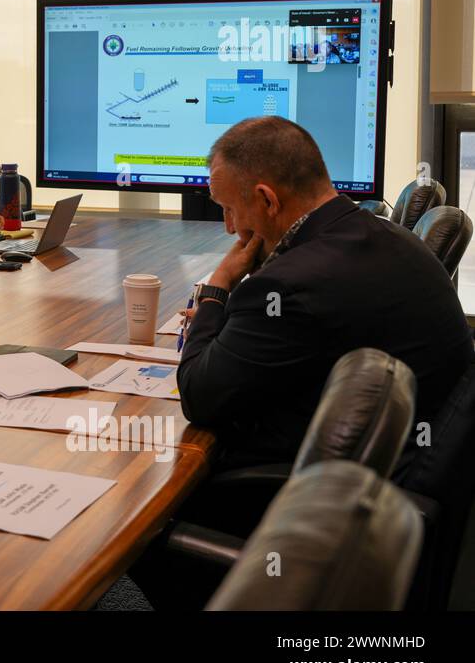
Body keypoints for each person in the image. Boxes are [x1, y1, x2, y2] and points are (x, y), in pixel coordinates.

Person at [179, 116, 473, 473]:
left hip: (322, 495)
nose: (229, 228)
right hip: (407, 471)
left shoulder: (287, 285)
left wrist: (218, 286)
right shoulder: (380, 236)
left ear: (267, 200)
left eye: (229, 209)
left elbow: (198, 396)